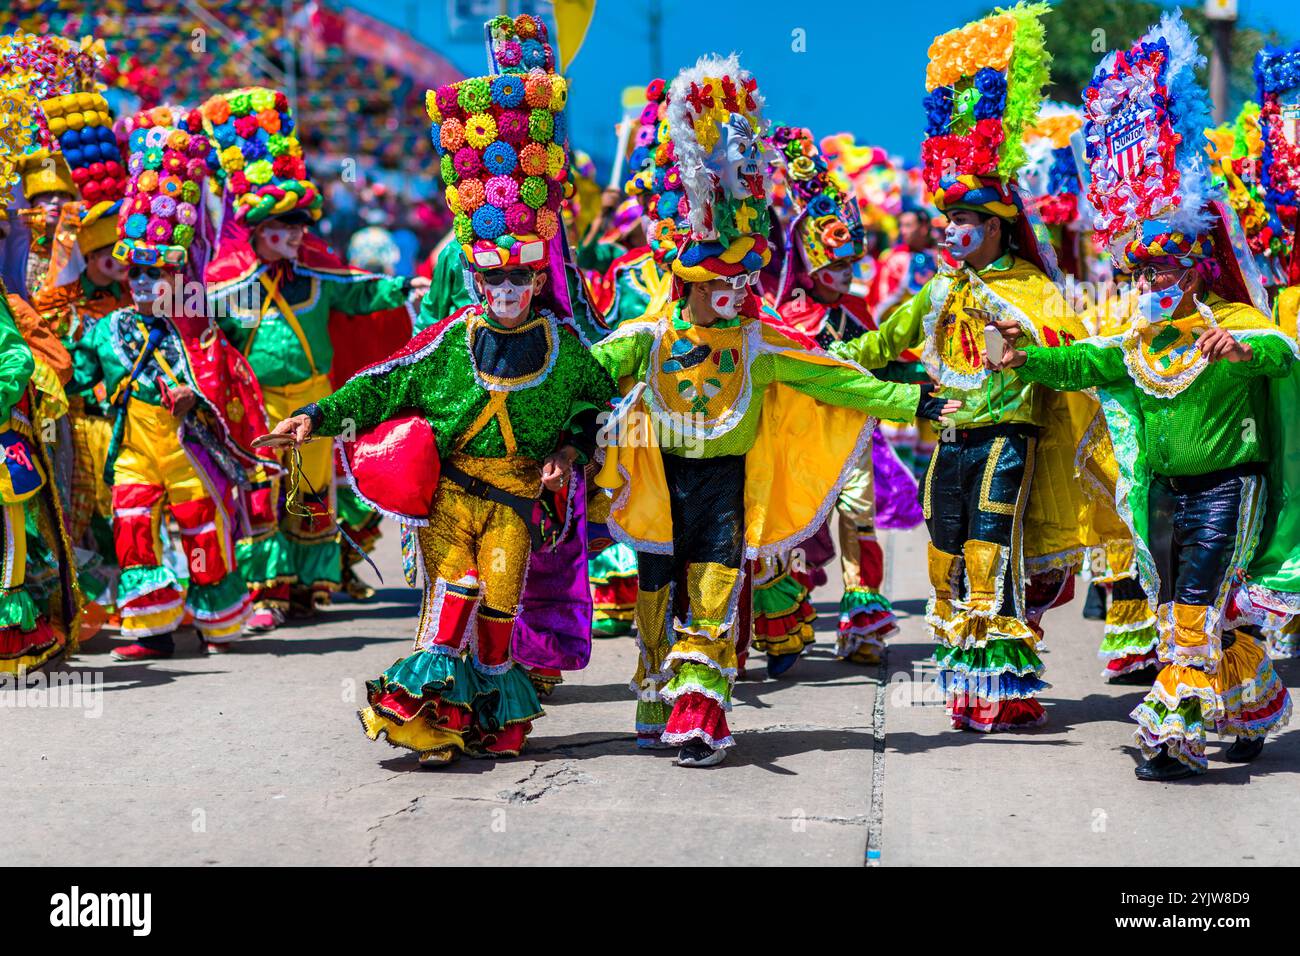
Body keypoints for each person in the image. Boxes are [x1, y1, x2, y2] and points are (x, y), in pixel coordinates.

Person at [589, 54, 958, 767]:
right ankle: (653, 688)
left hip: (727, 490)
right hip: (661, 489)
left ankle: (700, 706)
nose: (733, 293)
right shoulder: (649, 337)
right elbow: (583, 374)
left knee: (715, 595)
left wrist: (916, 399)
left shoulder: (760, 345)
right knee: (655, 599)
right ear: (687, 279)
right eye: (719, 281)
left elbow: (839, 381)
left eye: (742, 279)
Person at [269, 12, 615, 765]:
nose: (509, 289)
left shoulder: (564, 350)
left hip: (518, 501)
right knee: (446, 604)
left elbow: (596, 402)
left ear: (535, 275)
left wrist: (569, 447)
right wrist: (315, 418)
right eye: (493, 276)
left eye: (522, 274)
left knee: (495, 614)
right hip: (452, 497)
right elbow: (381, 388)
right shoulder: (448, 344)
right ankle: (429, 721)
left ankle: (489, 716)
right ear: (474, 275)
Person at [991, 13, 1295, 780]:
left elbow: (1283, 351)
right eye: (1140, 274)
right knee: (1179, 617)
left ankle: (1174, 735)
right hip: (1164, 492)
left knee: (1190, 615)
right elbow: (1081, 364)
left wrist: (1241, 346)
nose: (1146, 284)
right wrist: (1028, 355)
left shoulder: (1230, 321)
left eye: (1158, 274)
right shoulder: (1136, 340)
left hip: (1230, 488)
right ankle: (1251, 696)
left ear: (1192, 272)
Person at [830, 3, 1107, 733]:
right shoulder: (935, 289)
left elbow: (1069, 349)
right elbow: (875, 345)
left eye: (966, 222)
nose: (951, 231)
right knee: (944, 561)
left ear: (996, 227)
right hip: (948, 440)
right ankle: (967, 689)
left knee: (991, 556)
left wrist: (1022, 335)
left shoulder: (1029, 287)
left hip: (1008, 438)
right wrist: (810, 362)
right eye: (947, 219)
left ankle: (1009, 691)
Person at [200, 87, 427, 629]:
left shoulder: (318, 280)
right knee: (261, 490)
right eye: (284, 228)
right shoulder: (232, 286)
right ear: (259, 232)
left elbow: (359, 293)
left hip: (312, 401)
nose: (296, 236)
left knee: (308, 489)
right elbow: (205, 328)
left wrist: (402, 289)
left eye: (300, 227)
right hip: (257, 404)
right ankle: (265, 590)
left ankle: (306, 585)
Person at [73, 106, 272, 660]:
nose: (140, 284)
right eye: (135, 273)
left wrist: (196, 396)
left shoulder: (200, 328)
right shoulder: (109, 328)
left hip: (186, 447)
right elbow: (83, 377)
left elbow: (230, 374)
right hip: (135, 446)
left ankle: (215, 622)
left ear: (176, 276)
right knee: (132, 523)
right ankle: (151, 628)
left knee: (200, 532)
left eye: (153, 274)